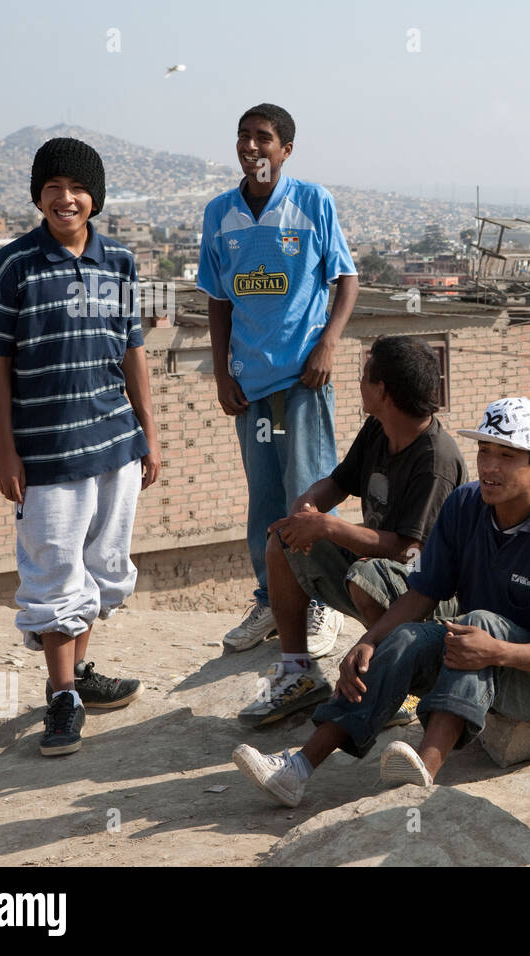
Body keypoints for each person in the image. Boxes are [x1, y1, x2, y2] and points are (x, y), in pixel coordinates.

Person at [231, 397, 530, 806]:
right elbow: (424, 591)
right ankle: (297, 768)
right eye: (484, 451)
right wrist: (369, 642)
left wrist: (495, 650)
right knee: (406, 637)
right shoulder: (466, 505)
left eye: (507, 456)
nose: (489, 467)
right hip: (488, 650)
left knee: (477, 626)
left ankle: (422, 773)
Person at [0, 137, 161, 757]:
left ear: (94, 198)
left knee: (102, 568)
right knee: (53, 571)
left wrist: (149, 435)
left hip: (115, 445)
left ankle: (77, 675)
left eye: (77, 188)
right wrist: (4, 451)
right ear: (38, 196)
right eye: (53, 188)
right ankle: (62, 698)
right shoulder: (13, 265)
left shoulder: (120, 262)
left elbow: (133, 353)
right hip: (46, 453)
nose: (66, 198)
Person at [197, 103, 359, 656]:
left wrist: (328, 343)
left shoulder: (313, 202)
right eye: (243, 136)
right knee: (264, 499)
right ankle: (271, 600)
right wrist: (222, 371)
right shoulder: (220, 212)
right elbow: (218, 299)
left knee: (308, 493)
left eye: (263, 137)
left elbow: (346, 278)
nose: (251, 146)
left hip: (303, 379)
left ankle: (324, 600)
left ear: (285, 150)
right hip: (251, 384)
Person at [238, 335, 467, 725]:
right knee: (284, 540)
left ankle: (402, 684)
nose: (358, 383)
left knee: (366, 576)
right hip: (381, 567)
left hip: (432, 596)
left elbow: (409, 551)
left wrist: (328, 526)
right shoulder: (379, 428)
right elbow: (338, 482)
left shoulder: (436, 461)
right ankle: (299, 674)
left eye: (364, 376)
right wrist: (307, 506)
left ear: (383, 391)